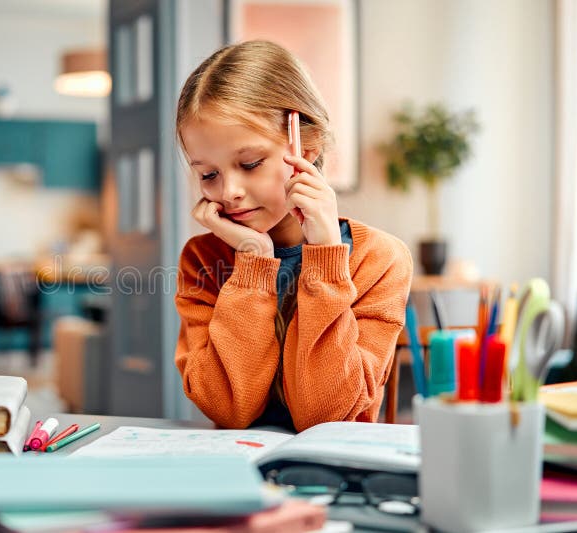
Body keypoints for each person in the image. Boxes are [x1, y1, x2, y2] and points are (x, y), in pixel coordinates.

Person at [174, 40, 413, 432]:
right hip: (240, 473)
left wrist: (324, 257)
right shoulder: (202, 260)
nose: (229, 191)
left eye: (249, 164)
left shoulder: (379, 259)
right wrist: (253, 259)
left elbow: (327, 417)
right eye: (208, 175)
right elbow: (229, 409)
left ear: (308, 145)